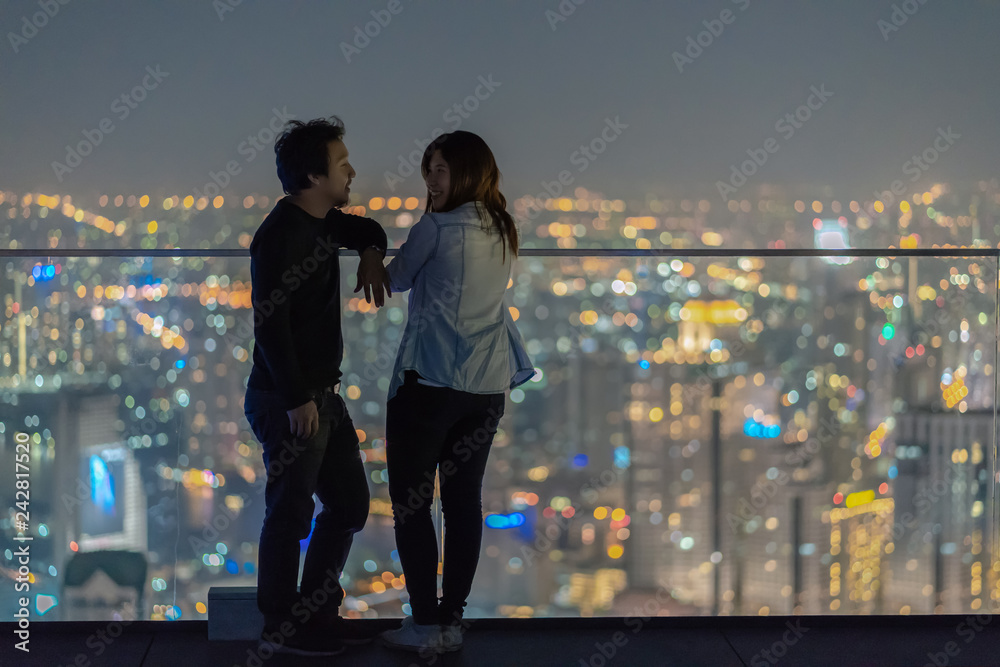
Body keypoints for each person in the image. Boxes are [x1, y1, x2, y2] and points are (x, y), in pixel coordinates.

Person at [379, 131, 535, 654]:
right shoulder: (501, 228)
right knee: (463, 502)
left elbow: (396, 280)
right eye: (429, 168)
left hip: (429, 385)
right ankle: (451, 621)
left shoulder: (435, 228)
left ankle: (424, 623)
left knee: (412, 504)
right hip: (486, 388)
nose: (430, 179)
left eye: (441, 169)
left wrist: (369, 253)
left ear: (466, 173)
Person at [243, 117, 390, 657]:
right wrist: (297, 397)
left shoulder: (324, 222)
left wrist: (372, 251)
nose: (352, 170)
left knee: (349, 505)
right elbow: (270, 323)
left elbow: (367, 228)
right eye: (341, 162)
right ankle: (280, 627)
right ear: (312, 175)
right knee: (290, 512)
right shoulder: (279, 236)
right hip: (289, 399)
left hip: (320, 396)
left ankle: (315, 613)